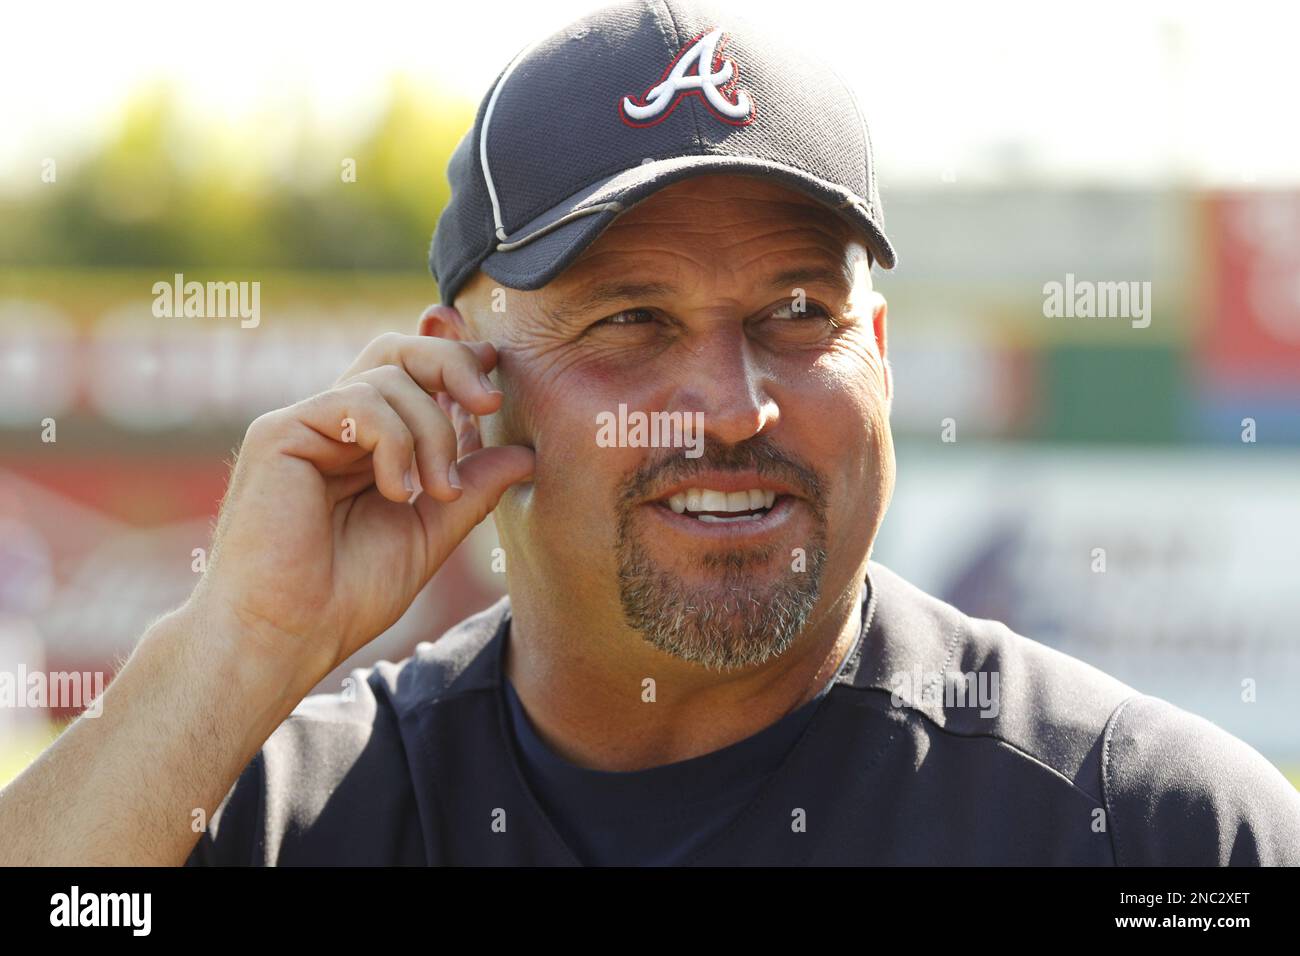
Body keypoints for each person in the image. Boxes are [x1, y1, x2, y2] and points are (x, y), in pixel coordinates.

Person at [3, 0, 1297, 866]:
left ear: (883, 361)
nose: (734, 406)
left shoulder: (1150, 829)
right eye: (628, 320)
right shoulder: (281, 810)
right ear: (465, 380)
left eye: (799, 312)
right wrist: (232, 649)